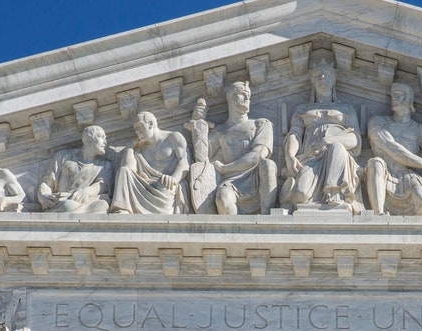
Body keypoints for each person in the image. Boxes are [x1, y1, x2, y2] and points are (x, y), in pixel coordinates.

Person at [279, 59, 363, 211]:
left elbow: (355, 139)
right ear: (312, 81)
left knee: (337, 147)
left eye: (327, 74)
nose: (323, 77)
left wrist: (329, 140)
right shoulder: (302, 109)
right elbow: (295, 134)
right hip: (311, 157)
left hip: (338, 158)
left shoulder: (347, 108)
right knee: (300, 195)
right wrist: (289, 156)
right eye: (318, 74)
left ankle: (335, 193)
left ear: (334, 80)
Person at [188, 82, 277, 215]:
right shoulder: (220, 131)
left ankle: (267, 219)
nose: (247, 98)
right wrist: (198, 123)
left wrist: (225, 168)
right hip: (231, 182)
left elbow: (259, 154)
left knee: (268, 164)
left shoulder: (261, 124)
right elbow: (202, 158)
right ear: (229, 98)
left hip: (256, 177)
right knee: (223, 200)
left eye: (248, 96)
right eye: (242, 94)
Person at [366, 83, 422, 216]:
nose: (394, 98)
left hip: (406, 176)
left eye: (398, 95)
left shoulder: (419, 130)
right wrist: (421, 162)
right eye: (392, 95)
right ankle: (378, 215)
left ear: (409, 99)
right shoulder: (378, 122)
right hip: (382, 174)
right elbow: (389, 146)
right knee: (376, 163)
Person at [110, 112, 190, 214]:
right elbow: (128, 169)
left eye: (139, 126)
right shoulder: (139, 148)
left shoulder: (173, 137)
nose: (137, 131)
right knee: (123, 170)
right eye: (135, 128)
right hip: (145, 184)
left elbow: (184, 163)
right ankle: (123, 210)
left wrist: (173, 178)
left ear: (151, 124)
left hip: (165, 185)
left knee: (165, 187)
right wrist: (129, 147)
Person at [36, 125, 112, 214]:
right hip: (62, 200)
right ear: (89, 139)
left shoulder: (104, 166)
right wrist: (42, 196)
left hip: (87, 202)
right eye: (101, 137)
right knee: (68, 205)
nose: (105, 142)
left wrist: (85, 191)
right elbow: (47, 182)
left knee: (102, 205)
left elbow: (102, 185)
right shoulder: (63, 156)